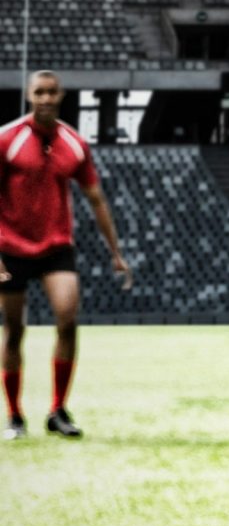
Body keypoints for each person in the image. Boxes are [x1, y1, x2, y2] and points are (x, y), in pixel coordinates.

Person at [0, 71, 133, 439]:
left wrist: (116, 252)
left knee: (68, 320)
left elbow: (95, 198)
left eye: (51, 92)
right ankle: (14, 416)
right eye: (39, 92)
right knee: (13, 330)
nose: (45, 98)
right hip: (9, 249)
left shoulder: (74, 143)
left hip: (57, 246)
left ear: (61, 95)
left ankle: (57, 410)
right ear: (29, 96)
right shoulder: (7, 139)